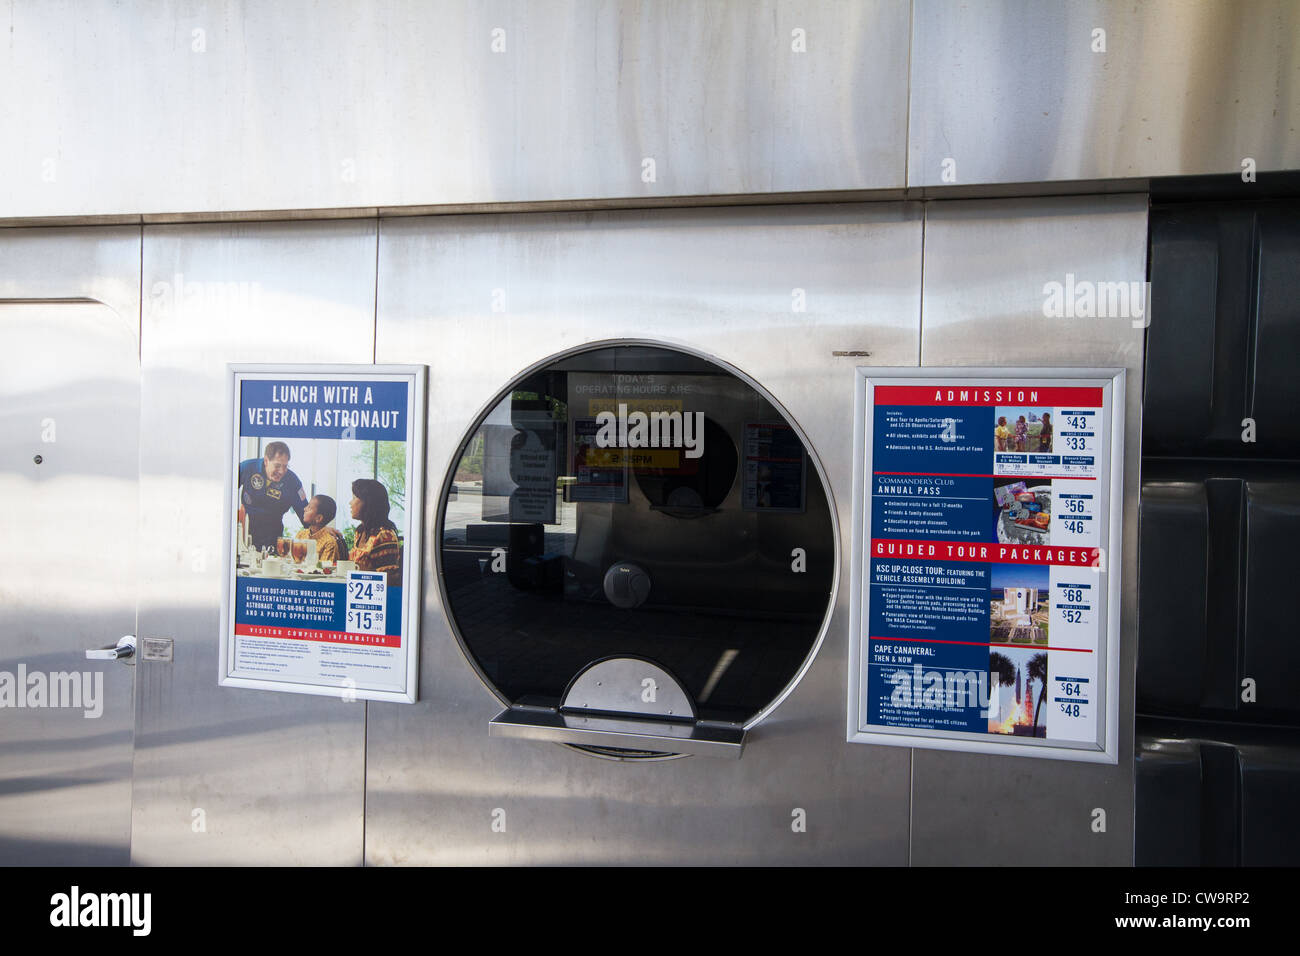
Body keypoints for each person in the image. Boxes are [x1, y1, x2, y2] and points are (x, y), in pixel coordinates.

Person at [239, 441, 307, 550]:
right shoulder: (247, 468)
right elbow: (226, 491)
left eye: (285, 466)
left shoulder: (292, 481)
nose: (281, 471)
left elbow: (305, 513)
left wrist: (322, 529)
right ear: (266, 461)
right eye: (277, 466)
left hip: (273, 535)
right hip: (246, 531)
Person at [348, 478, 402, 587]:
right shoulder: (360, 531)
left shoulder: (385, 535)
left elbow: (390, 580)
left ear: (368, 503)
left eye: (354, 498)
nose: (350, 502)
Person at [295, 494, 348, 563]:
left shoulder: (329, 542)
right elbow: (292, 560)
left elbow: (324, 571)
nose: (305, 509)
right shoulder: (301, 534)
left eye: (309, 507)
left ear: (318, 518)